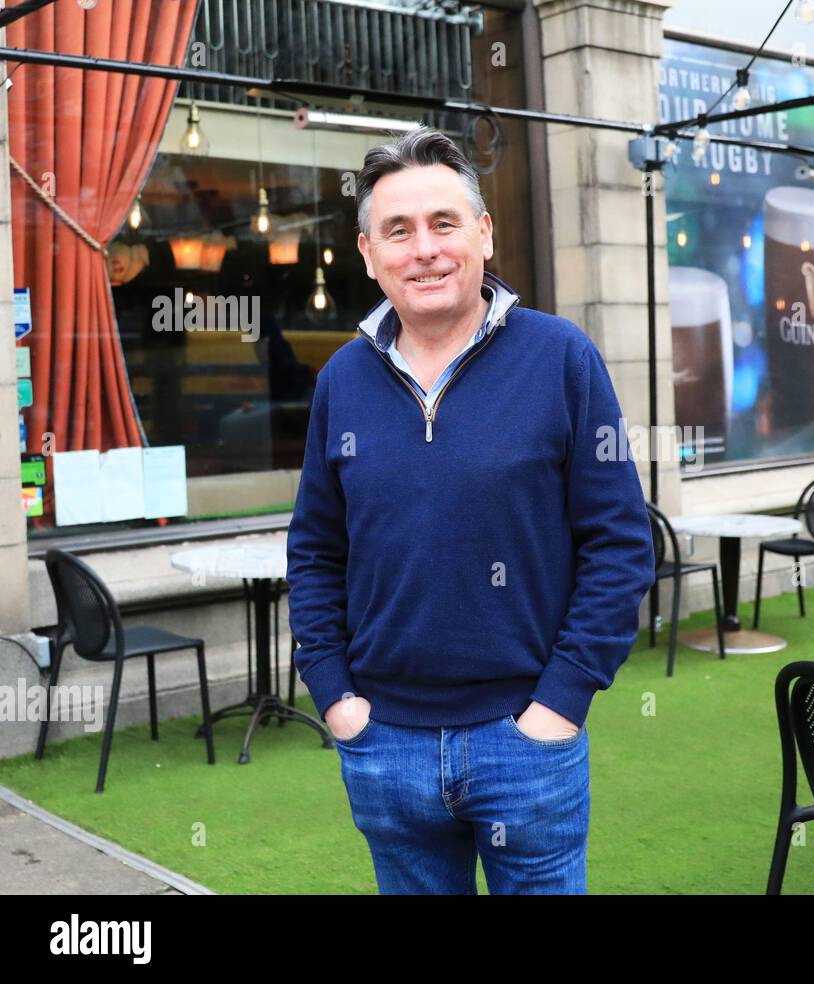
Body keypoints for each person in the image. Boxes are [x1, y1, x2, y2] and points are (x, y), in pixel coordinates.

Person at [287, 126, 656, 894]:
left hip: (524, 740)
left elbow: (620, 544)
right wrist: (336, 697)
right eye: (398, 230)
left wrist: (560, 703)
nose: (423, 248)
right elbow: (316, 550)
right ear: (368, 252)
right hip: (382, 742)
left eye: (443, 223)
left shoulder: (561, 358)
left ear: (483, 234)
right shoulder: (342, 381)